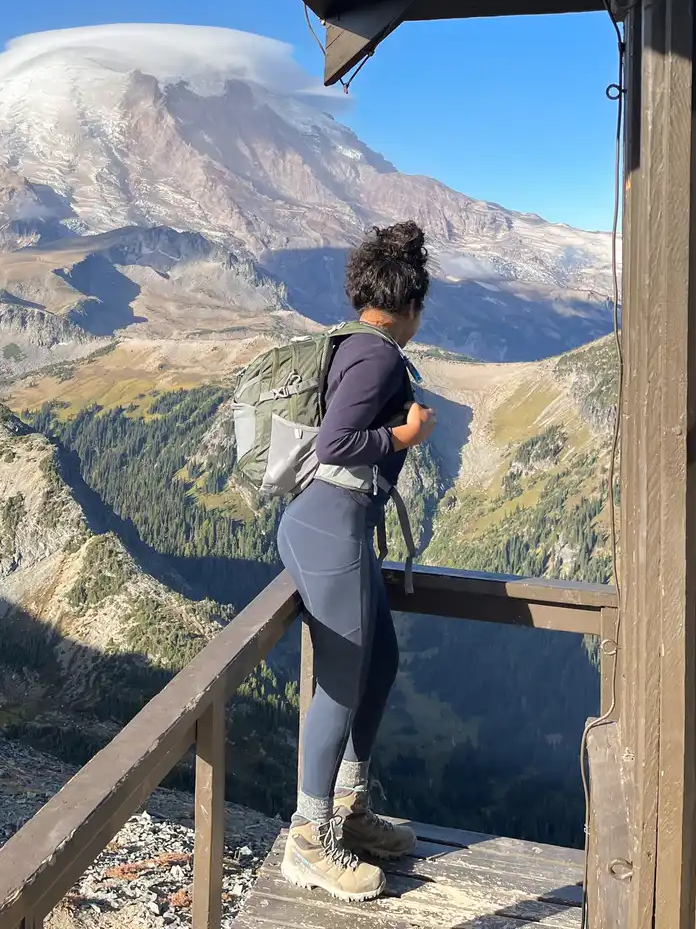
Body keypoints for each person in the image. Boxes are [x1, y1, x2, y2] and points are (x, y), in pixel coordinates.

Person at [278, 221, 435, 901]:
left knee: (382, 663)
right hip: (330, 532)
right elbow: (338, 442)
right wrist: (405, 433)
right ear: (410, 305)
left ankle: (350, 813)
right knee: (341, 685)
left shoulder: (356, 345)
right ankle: (309, 842)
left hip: (337, 527)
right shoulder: (376, 358)